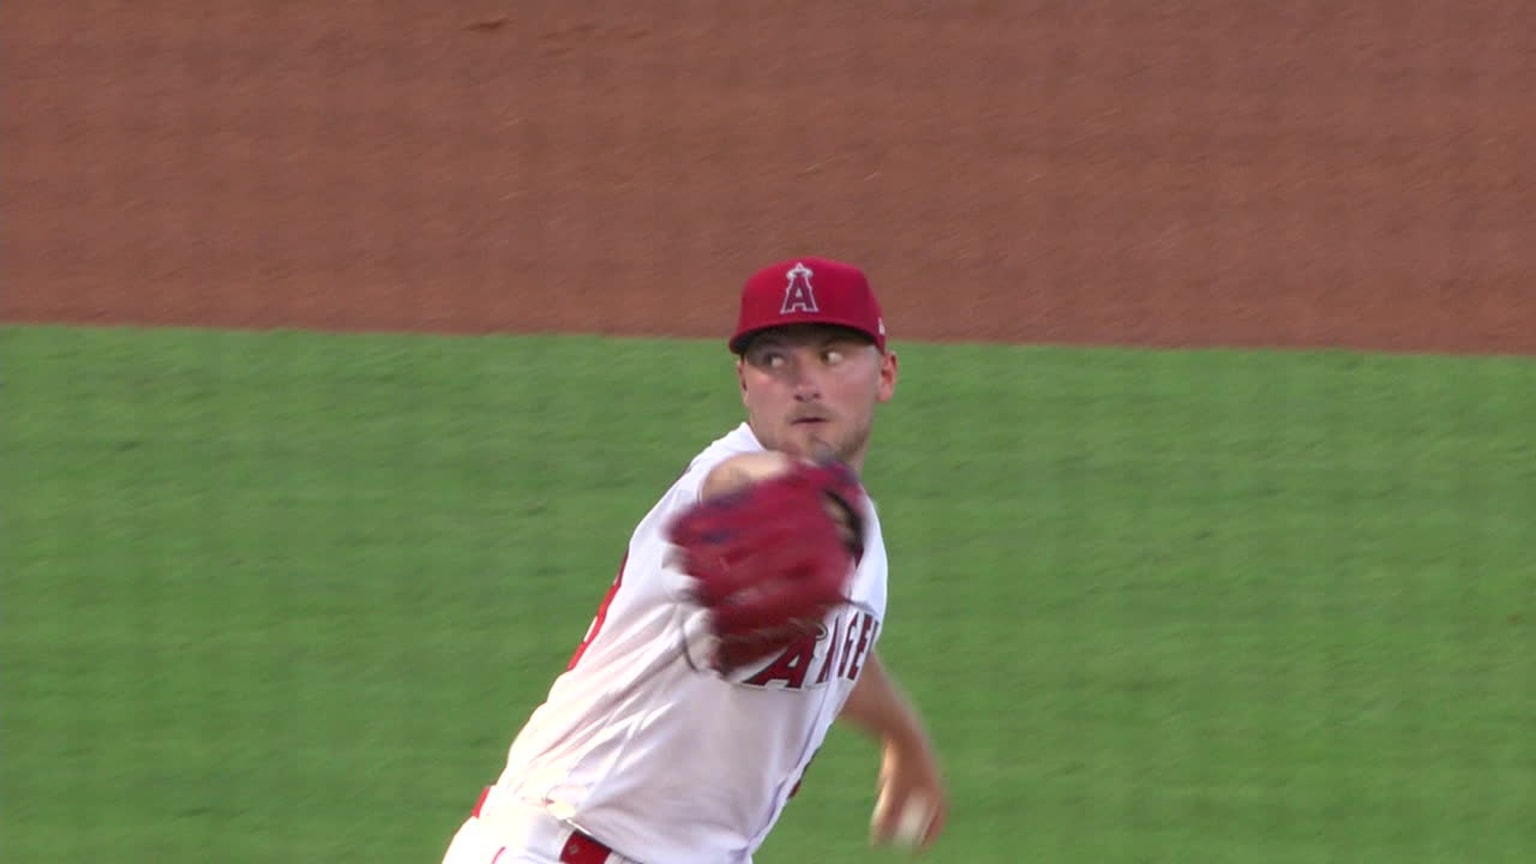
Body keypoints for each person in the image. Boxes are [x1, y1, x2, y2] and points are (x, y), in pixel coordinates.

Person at [438, 257, 948, 864]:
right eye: (774, 360)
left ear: (886, 374)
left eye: (832, 355)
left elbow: (838, 645)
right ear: (743, 383)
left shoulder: (857, 530)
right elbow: (741, 487)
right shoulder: (723, 484)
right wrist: (802, 491)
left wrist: (904, 738)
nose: (803, 382)